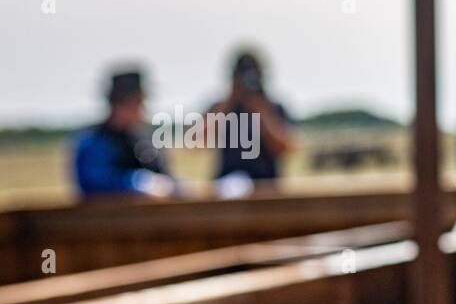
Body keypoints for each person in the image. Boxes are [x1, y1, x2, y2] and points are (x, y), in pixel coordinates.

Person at [72, 68, 177, 198]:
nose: (142, 109)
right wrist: (135, 182)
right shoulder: (93, 142)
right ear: (118, 104)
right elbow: (93, 183)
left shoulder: (146, 141)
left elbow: (165, 179)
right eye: (137, 103)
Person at [197, 49, 296, 186]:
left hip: (266, 185)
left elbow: (286, 147)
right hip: (227, 184)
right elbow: (197, 142)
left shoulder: (272, 108)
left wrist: (261, 113)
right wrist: (228, 104)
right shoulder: (222, 108)